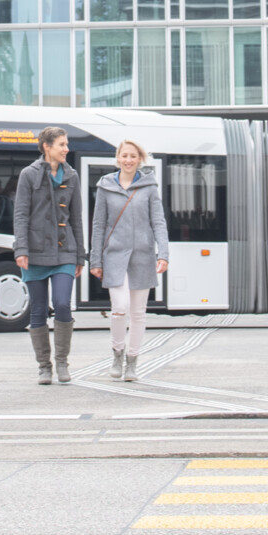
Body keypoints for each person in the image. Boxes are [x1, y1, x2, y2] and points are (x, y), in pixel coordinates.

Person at [89, 139, 168, 382]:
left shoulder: (149, 187)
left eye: (133, 156)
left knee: (138, 313)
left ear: (139, 159)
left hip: (143, 255)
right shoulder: (105, 186)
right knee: (119, 308)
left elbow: (158, 222)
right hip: (114, 255)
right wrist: (95, 260)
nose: (128, 160)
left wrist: (163, 253)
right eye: (124, 155)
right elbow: (98, 225)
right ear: (118, 158)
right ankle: (117, 353)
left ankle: (132, 361)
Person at [13, 126, 84, 384]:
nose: (66, 149)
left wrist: (80, 256)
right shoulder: (28, 175)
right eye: (62, 144)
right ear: (47, 146)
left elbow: (76, 217)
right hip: (34, 253)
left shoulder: (72, 176)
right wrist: (20, 249)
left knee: (63, 303)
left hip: (65, 250)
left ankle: (63, 362)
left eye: (66, 144)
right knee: (38, 310)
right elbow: (20, 214)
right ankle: (44, 366)